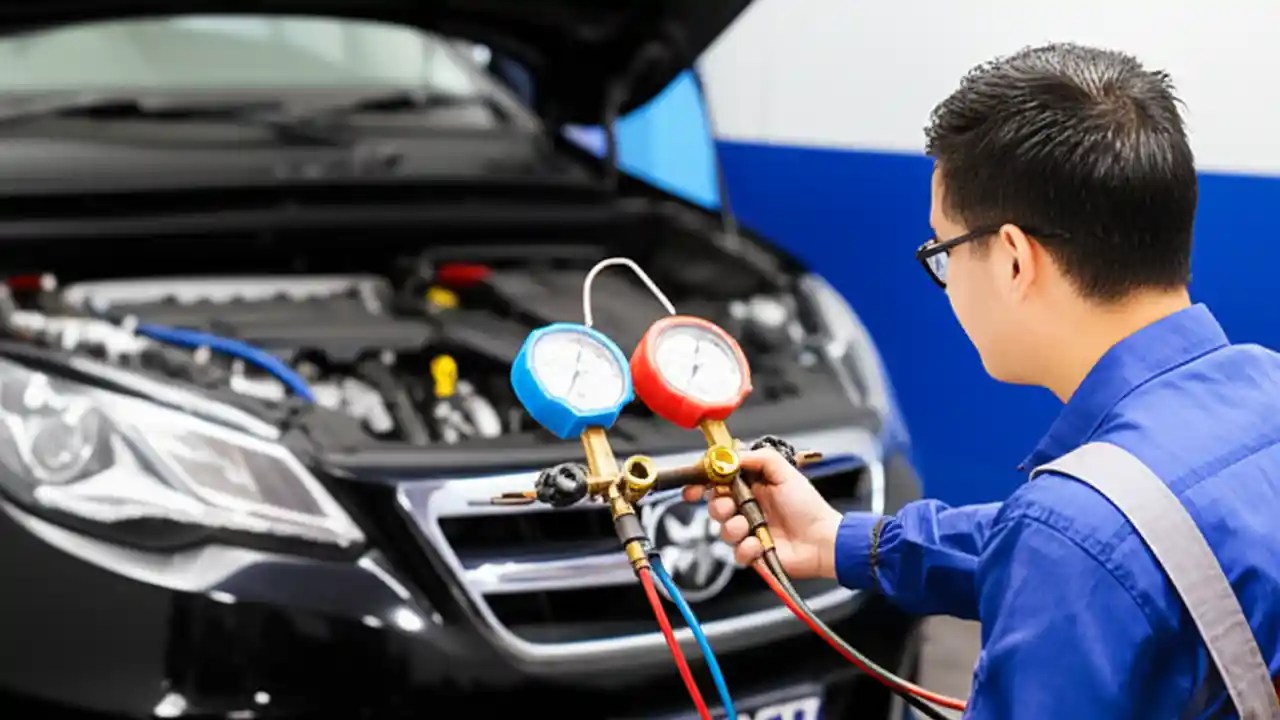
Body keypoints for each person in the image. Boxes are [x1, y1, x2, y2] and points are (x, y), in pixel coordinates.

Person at [686, 43, 1280, 718]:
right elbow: (1110, 547)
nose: (945, 280)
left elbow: (1080, 548)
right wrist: (841, 541)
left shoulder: (1076, 531)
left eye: (941, 250)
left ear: (1013, 259)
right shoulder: (1265, 391)